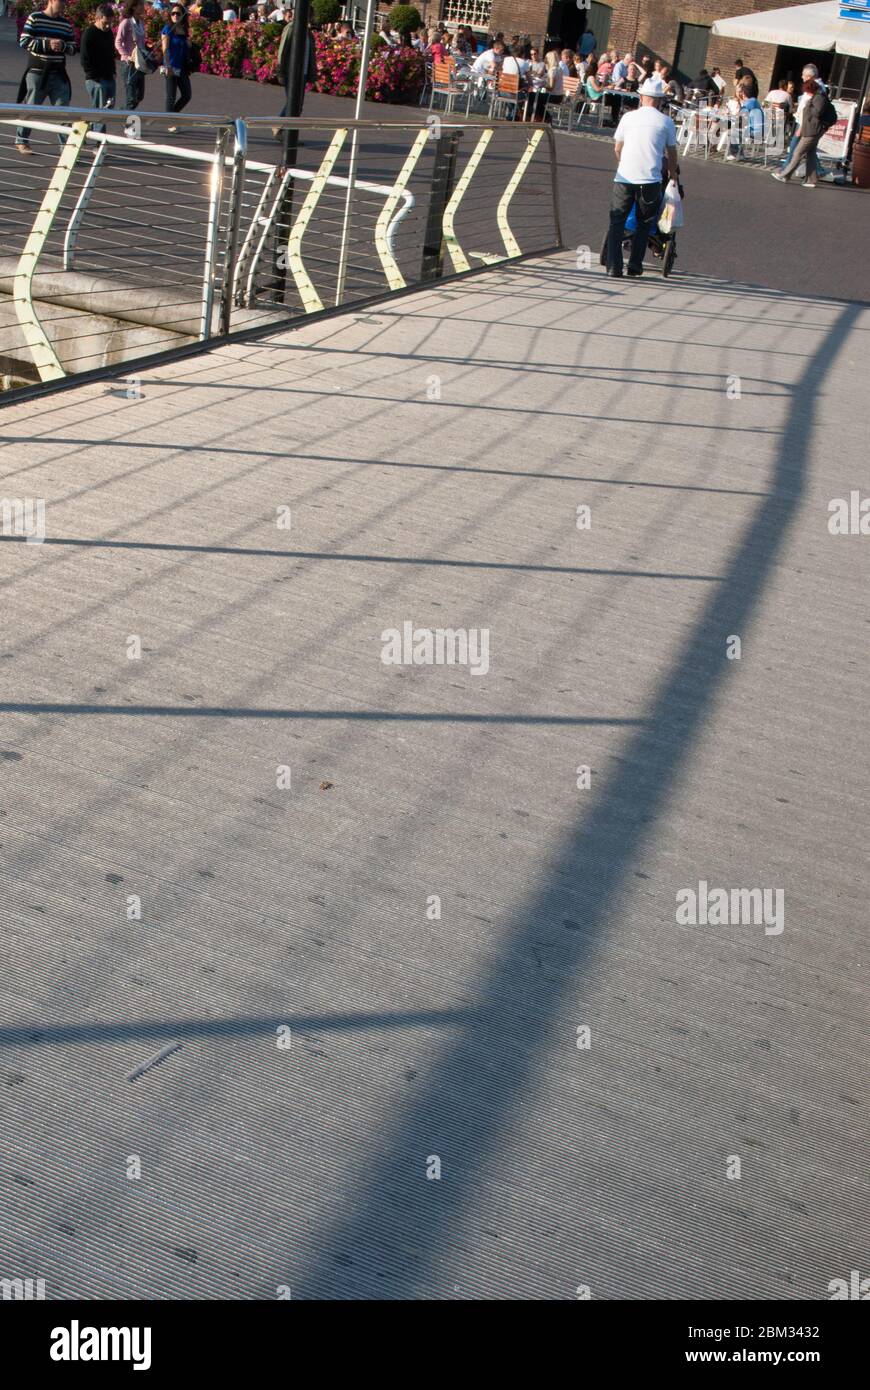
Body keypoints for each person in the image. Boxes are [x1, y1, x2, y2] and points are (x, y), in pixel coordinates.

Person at [606, 76, 678, 278]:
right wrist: (673, 174)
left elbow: (617, 147)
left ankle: (614, 266)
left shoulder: (628, 118)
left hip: (624, 177)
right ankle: (635, 265)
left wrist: (623, 162)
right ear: (660, 100)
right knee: (644, 222)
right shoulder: (666, 122)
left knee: (617, 221)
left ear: (642, 97)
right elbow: (671, 152)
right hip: (650, 180)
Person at [15, 0, 76, 155]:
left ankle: (67, 149)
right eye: (61, 2)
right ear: (51, 1)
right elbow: (24, 41)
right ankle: (21, 140)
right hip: (37, 72)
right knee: (31, 108)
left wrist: (62, 46)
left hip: (58, 73)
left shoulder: (65, 24)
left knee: (63, 111)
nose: (63, 5)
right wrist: (47, 44)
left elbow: (73, 48)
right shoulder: (35, 18)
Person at [771, 77, 835, 186]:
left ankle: (785, 175)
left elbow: (817, 113)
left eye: (806, 91)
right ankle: (811, 180)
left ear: (810, 90)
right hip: (811, 129)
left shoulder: (818, 97)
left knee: (798, 152)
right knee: (810, 154)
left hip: (813, 130)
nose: (805, 93)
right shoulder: (817, 96)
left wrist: (808, 105)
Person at [81, 3, 116, 133]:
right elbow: (85, 59)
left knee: (107, 109)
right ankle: (99, 143)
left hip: (108, 77)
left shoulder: (109, 33)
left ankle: (87, 128)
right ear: (98, 18)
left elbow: (111, 53)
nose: (108, 26)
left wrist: (113, 72)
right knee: (101, 112)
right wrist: (94, 77)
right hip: (95, 79)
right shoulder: (89, 33)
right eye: (105, 23)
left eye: (110, 23)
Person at [116, 0, 150, 110]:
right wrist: (125, 55)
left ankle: (122, 113)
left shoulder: (141, 22)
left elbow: (142, 43)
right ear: (134, 7)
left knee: (139, 96)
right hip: (129, 64)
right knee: (131, 97)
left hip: (139, 63)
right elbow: (118, 42)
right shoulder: (126, 22)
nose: (143, 7)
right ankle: (126, 122)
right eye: (140, 4)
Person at [162, 3, 191, 129]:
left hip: (182, 67)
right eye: (172, 13)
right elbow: (165, 49)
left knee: (187, 95)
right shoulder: (167, 29)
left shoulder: (184, 30)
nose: (175, 15)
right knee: (171, 96)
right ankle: (170, 123)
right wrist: (167, 66)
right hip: (171, 66)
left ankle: (172, 115)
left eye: (178, 13)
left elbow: (185, 47)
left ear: (182, 15)